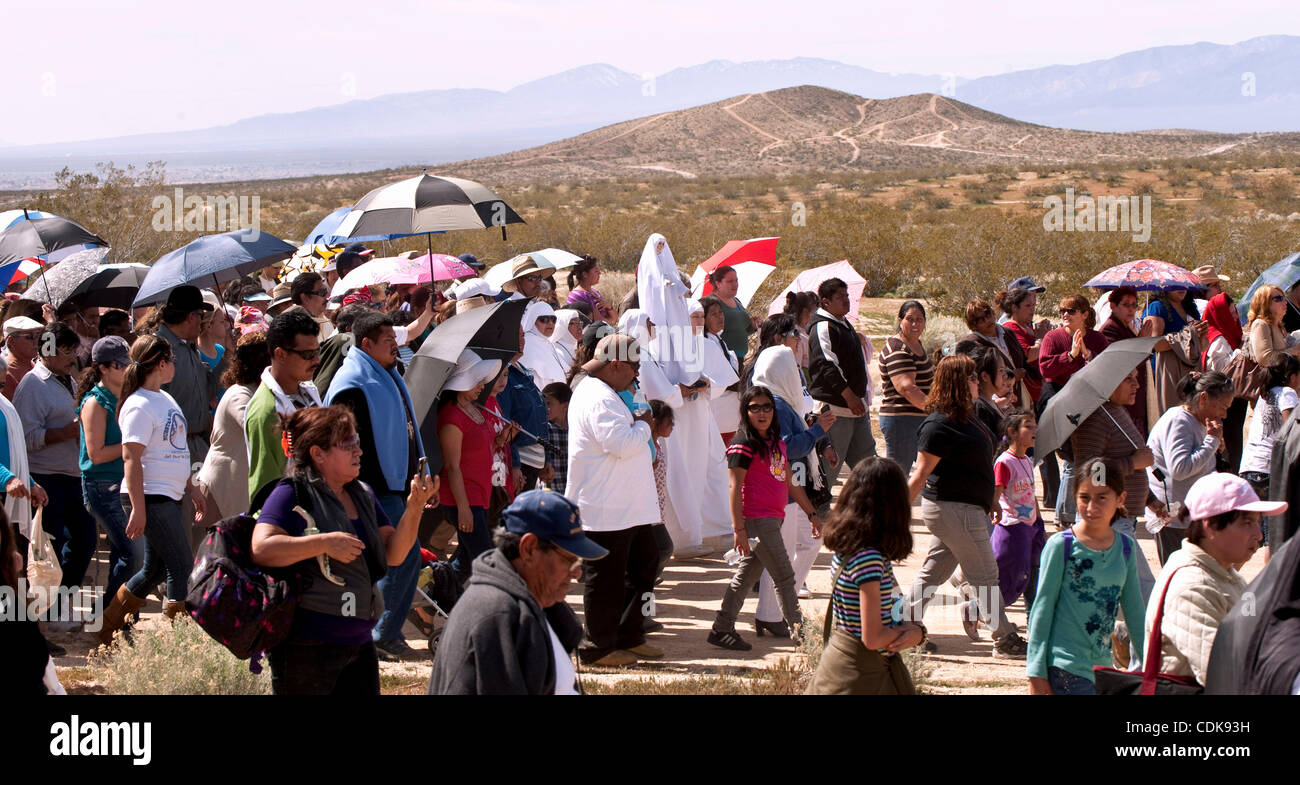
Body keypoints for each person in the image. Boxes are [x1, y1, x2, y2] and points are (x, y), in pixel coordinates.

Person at [252, 405, 436, 694]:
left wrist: (414, 508)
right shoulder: (292, 492)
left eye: (357, 443)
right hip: (306, 645)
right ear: (318, 454)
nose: (358, 452)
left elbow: (395, 553)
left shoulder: (362, 493)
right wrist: (322, 543)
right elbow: (262, 547)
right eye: (348, 444)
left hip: (358, 642)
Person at [904, 354, 1027, 657]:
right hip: (952, 509)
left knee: (935, 571)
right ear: (958, 383)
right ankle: (1004, 637)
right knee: (985, 574)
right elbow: (920, 473)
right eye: (971, 378)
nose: (976, 382)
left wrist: (989, 500)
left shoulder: (968, 415)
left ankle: (902, 621)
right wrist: (896, 512)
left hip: (964, 509)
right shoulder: (938, 424)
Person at [429, 489, 604, 695]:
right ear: (528, 548)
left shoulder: (530, 606)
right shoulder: (497, 616)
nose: (576, 572)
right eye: (569, 559)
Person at [325, 310, 426, 660]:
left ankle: (384, 632)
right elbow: (345, 438)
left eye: (396, 340)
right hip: (373, 487)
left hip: (396, 484)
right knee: (401, 556)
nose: (395, 346)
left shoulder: (385, 374)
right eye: (388, 341)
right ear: (366, 343)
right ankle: (382, 633)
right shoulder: (352, 382)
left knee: (405, 556)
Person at [97, 336, 207, 644]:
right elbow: (131, 457)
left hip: (167, 494)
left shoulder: (165, 399)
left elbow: (176, 450)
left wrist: (192, 487)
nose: (175, 365)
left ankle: (108, 627)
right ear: (161, 363)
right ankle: (182, 641)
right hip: (149, 495)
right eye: (172, 360)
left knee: (154, 569)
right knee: (182, 563)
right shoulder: (138, 404)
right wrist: (138, 508)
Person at [565, 333, 662, 667]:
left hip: (626, 507)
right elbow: (620, 443)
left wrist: (639, 426)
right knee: (605, 579)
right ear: (617, 364)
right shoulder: (597, 396)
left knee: (644, 566)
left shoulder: (608, 392)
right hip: (605, 508)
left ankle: (629, 635)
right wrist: (646, 426)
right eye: (633, 366)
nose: (636, 373)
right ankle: (596, 647)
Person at [709, 385, 822, 650]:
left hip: (774, 518)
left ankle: (721, 628)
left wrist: (812, 513)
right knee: (784, 576)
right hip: (758, 520)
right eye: (755, 407)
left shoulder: (776, 442)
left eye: (767, 407)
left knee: (746, 576)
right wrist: (739, 530)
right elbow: (734, 488)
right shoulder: (742, 444)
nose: (762, 413)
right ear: (745, 411)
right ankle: (802, 634)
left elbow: (790, 481)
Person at [1146, 472, 1282, 688]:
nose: (1259, 534)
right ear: (1211, 525)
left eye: (1257, 523)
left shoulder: (1228, 576)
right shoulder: (1192, 586)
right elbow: (1224, 675)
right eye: (1247, 523)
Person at [1026, 457, 1146, 695]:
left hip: (1102, 673)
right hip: (1064, 670)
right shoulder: (1061, 546)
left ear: (1120, 498)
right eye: (1084, 497)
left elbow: (1134, 612)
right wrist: (1036, 674)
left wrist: (1150, 666)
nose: (1092, 507)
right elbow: (1041, 610)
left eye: (1102, 497)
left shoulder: (1126, 548)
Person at [807, 456, 922, 694]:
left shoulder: (852, 550)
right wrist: (915, 635)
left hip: (845, 667)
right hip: (862, 676)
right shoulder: (869, 558)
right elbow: (873, 637)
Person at [14, 322, 97, 615]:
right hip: (47, 477)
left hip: (75, 474)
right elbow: (25, 438)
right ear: (47, 350)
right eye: (64, 351)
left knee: (85, 540)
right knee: (50, 546)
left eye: (73, 351)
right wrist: (65, 432)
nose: (71, 357)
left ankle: (61, 603)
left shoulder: (69, 380)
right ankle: (45, 610)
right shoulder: (32, 385)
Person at [751, 344, 835, 632]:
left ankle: (779, 608)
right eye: (794, 369)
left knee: (807, 543)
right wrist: (817, 430)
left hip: (789, 489)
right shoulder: (776, 404)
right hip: (781, 492)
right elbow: (786, 448)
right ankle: (772, 615)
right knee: (781, 556)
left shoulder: (775, 401)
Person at [154, 285, 221, 551]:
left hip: (196, 444)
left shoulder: (188, 348)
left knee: (199, 521)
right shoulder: (160, 350)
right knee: (182, 527)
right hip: (171, 449)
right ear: (190, 316)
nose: (201, 322)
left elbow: (208, 392)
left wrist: (228, 353)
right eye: (199, 316)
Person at [76, 336, 140, 603]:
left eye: (128, 364)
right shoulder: (95, 403)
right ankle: (107, 614)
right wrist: (134, 446)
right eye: (120, 365)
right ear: (103, 367)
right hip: (102, 486)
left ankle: (119, 618)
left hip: (123, 483)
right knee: (132, 553)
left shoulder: (127, 397)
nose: (126, 369)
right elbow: (96, 454)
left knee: (125, 553)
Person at [1147, 370, 1233, 566]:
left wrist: (1215, 447)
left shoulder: (1197, 421)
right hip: (1175, 520)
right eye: (1222, 407)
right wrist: (1211, 442)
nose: (1224, 414)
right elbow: (1179, 469)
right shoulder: (1179, 421)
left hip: (1193, 516)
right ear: (1203, 398)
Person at [1039, 295, 1109, 529]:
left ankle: (1085, 511)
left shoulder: (1097, 339)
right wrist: (1070, 356)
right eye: (1062, 311)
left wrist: (1088, 355)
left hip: (1089, 402)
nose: (1065, 315)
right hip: (1060, 400)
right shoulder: (1053, 337)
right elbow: (1045, 368)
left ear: (1085, 314)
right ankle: (1064, 516)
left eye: (1071, 311)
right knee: (1070, 459)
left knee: (1090, 458)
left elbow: (1105, 371)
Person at [436, 350, 502, 583]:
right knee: (485, 558)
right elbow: (452, 466)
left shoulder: (474, 408)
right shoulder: (451, 416)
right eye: (476, 380)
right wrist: (463, 507)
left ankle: (432, 603)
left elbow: (483, 448)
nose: (482, 385)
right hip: (464, 497)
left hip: (479, 494)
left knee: (464, 560)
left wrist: (502, 439)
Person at [245, 310, 322, 505]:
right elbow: (265, 487)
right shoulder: (266, 410)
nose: (316, 360)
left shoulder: (308, 390)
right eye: (308, 354)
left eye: (317, 352)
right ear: (280, 354)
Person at [808, 278, 875, 494]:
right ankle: (820, 521)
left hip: (857, 409)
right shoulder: (822, 327)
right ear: (826, 302)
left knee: (870, 469)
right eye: (840, 297)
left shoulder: (844, 324)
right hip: (835, 410)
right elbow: (826, 366)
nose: (846, 301)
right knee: (829, 469)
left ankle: (870, 516)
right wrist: (849, 396)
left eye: (847, 296)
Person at [197, 332, 270, 523]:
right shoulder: (239, 394)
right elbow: (258, 427)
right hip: (221, 489)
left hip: (238, 488)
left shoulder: (260, 391)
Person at [1238, 353, 1299, 561]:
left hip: (1249, 468)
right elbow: (1291, 431)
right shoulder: (1288, 393)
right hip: (1269, 470)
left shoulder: (1263, 394)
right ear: (1292, 377)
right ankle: (1270, 589)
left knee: (1250, 536)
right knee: (1274, 538)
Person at [990, 411, 1046, 614]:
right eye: (1028, 426)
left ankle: (1032, 620)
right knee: (1010, 576)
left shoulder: (1027, 461)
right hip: (1013, 528)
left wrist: (1039, 523)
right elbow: (995, 495)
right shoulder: (1005, 462)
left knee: (1032, 575)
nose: (1034, 431)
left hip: (1030, 526)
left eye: (1034, 426)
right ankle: (977, 609)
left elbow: (1031, 494)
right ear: (1012, 432)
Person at [877, 300, 932, 476]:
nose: (915, 324)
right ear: (900, 320)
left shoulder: (916, 344)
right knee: (897, 477)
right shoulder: (898, 348)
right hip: (901, 420)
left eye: (920, 319)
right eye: (910, 319)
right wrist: (934, 408)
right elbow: (906, 388)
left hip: (916, 419)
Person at [1140, 288, 1206, 416]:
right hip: (1167, 373)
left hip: (1191, 373)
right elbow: (1155, 344)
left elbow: (1202, 347)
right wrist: (1188, 335)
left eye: (1183, 285)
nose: (1181, 289)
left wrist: (1202, 335)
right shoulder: (1156, 307)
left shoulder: (1190, 308)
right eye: (1174, 286)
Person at [1201, 289, 1247, 470]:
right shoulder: (1218, 338)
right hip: (1222, 397)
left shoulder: (1227, 335)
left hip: (1229, 397)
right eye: (1231, 311)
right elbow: (1221, 370)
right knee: (1228, 443)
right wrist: (1239, 354)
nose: (1235, 315)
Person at [1098, 287, 1149, 434]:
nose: (1131, 309)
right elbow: (1121, 362)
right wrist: (1142, 341)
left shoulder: (1127, 327)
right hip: (1121, 397)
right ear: (1113, 306)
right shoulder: (1110, 329)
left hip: (1134, 398)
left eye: (1134, 305)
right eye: (1126, 304)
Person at [964, 298, 1029, 406]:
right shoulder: (971, 343)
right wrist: (1011, 377)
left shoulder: (1007, 332)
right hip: (993, 402)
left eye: (987, 314)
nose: (986, 320)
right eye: (980, 320)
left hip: (1019, 393)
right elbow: (978, 376)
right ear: (973, 324)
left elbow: (1023, 360)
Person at [699, 295, 742, 443]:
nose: (719, 317)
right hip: (719, 412)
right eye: (713, 314)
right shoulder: (704, 345)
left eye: (721, 312)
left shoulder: (719, 340)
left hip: (731, 411)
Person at [708, 265, 759, 363]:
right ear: (718, 284)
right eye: (730, 281)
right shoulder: (710, 303)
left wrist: (753, 326)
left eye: (736, 280)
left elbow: (739, 330)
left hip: (739, 360)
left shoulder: (736, 301)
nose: (735, 284)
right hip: (721, 360)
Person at [521, 300, 568, 391]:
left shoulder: (546, 342)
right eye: (544, 319)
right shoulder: (527, 343)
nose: (550, 323)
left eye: (553, 319)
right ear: (533, 320)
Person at [538, 382, 570, 493]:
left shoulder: (574, 430)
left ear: (565, 405)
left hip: (571, 491)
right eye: (543, 403)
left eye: (549, 403)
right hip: (550, 491)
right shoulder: (544, 429)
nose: (545, 407)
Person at [564, 255, 614, 324]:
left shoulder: (595, 292)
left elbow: (614, 319)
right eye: (596, 271)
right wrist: (610, 320)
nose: (599, 273)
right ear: (585, 274)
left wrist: (608, 306)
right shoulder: (579, 295)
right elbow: (599, 322)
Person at [3, 316, 43, 400]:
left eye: (37, 335)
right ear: (11, 341)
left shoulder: (33, 364)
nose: (36, 341)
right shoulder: (6, 373)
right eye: (29, 336)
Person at [289, 272, 335, 340]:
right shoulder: (293, 327)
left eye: (326, 290)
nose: (327, 296)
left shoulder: (327, 322)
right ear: (305, 298)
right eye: (322, 292)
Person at [781, 291, 819, 371]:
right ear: (805, 311)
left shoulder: (806, 331)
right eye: (815, 309)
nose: (817, 312)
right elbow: (796, 367)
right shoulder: (796, 336)